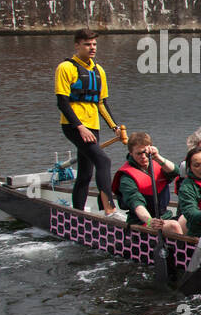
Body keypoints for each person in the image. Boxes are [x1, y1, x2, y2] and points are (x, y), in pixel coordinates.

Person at [55, 28, 123, 213]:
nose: (92, 48)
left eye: (94, 44)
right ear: (77, 45)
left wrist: (114, 127)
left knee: (86, 173)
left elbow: (101, 103)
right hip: (74, 126)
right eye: (87, 44)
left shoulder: (99, 70)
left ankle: (77, 213)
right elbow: (62, 102)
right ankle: (108, 208)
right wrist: (80, 127)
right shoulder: (66, 68)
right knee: (104, 161)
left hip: (93, 126)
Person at [112, 132, 183, 234]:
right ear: (131, 153)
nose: (144, 157)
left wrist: (157, 156)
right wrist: (150, 221)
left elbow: (175, 171)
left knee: (186, 220)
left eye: (146, 152)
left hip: (165, 217)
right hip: (141, 222)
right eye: (139, 153)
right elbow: (136, 203)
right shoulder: (126, 178)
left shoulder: (157, 163)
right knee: (174, 225)